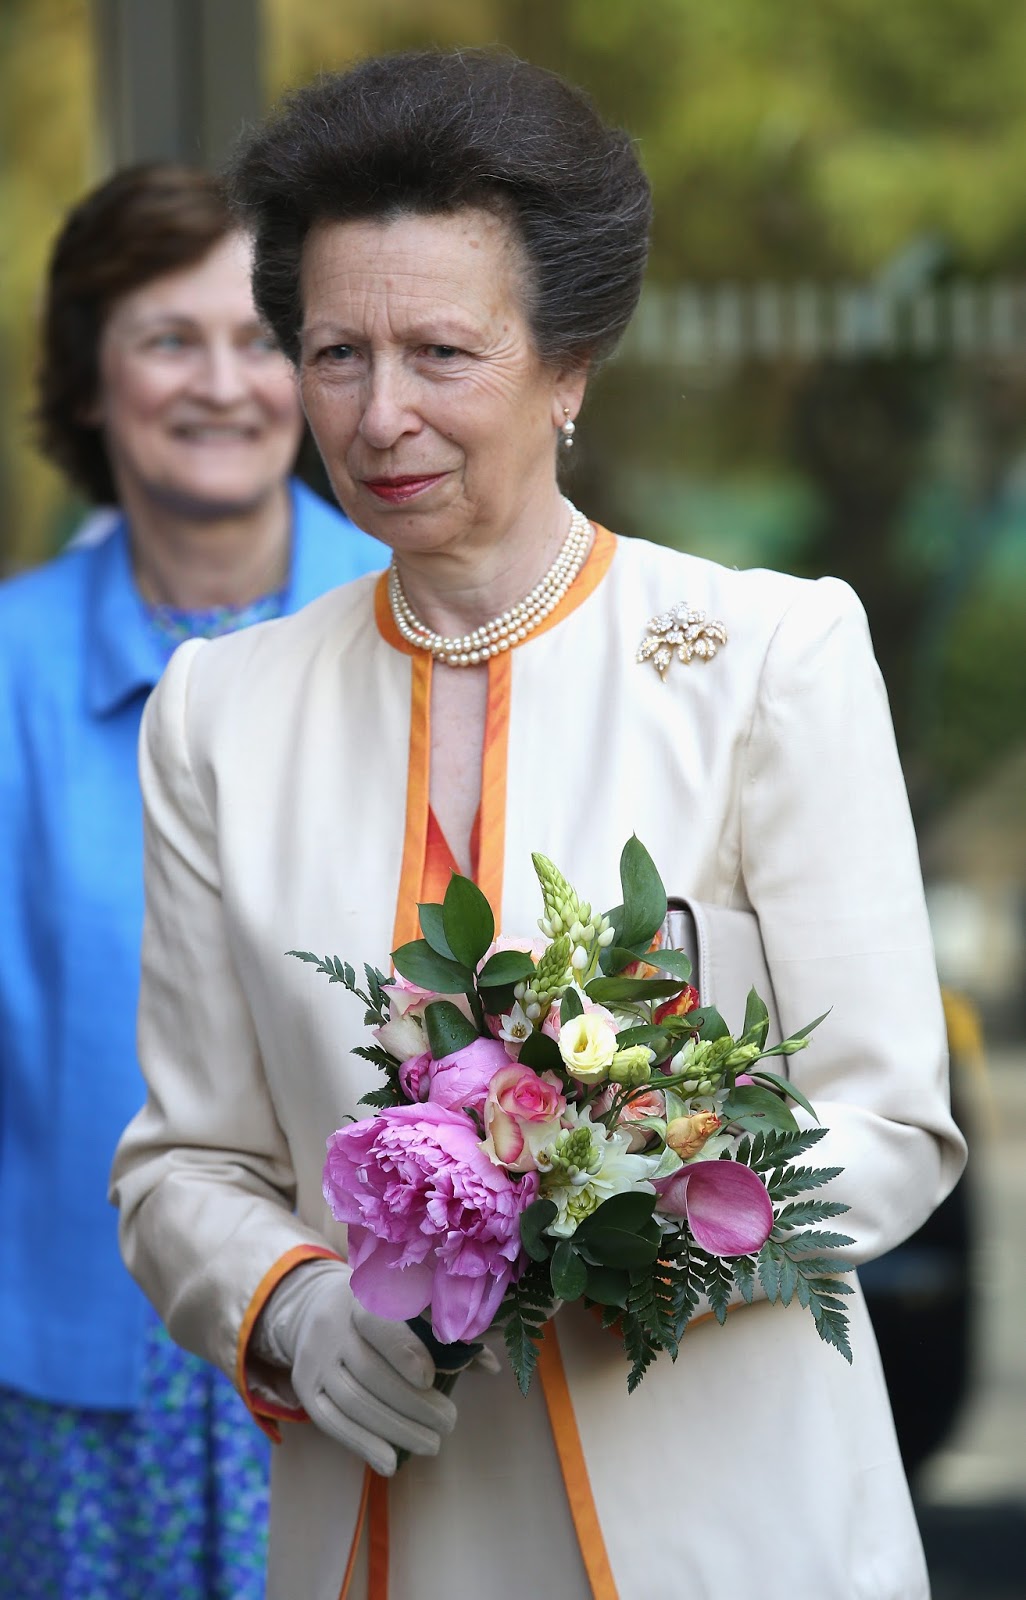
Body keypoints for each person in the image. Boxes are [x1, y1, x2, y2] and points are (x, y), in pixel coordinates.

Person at [110, 54, 967, 1600]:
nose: (381, 416)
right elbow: (185, 1162)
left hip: (729, 1528)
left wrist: (628, 1222)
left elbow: (889, 1118)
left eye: (441, 350)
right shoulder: (217, 714)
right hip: (391, 1516)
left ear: (568, 363)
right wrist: (294, 1304)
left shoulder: (765, 658)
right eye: (335, 354)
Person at [0, 163, 385, 1598]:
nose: (222, 382)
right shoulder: (9, 673)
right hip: (67, 1382)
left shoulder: (419, 633)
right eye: (169, 339)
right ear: (89, 384)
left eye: (262, 338)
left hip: (387, 1354)